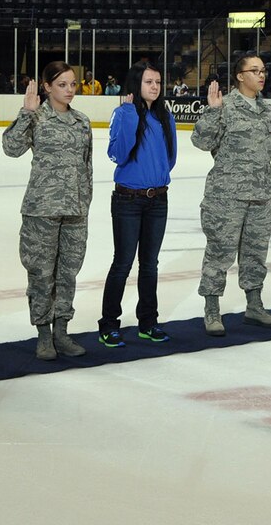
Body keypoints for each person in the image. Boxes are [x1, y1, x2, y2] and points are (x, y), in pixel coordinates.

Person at [192, 53, 271, 335]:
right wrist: (213, 111)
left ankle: (254, 306)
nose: (261, 75)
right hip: (226, 197)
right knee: (219, 254)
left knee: (256, 254)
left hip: (260, 195)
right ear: (240, 76)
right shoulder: (225, 106)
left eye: (263, 70)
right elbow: (201, 141)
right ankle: (212, 310)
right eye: (254, 70)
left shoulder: (264, 109)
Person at [2, 61, 93, 360]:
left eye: (72, 85)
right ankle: (43, 334)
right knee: (41, 274)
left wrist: (85, 202)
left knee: (68, 273)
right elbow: (11, 148)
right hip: (41, 209)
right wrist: (26, 113)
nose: (69, 90)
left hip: (75, 211)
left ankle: (62, 332)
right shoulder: (37, 118)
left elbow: (87, 166)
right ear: (47, 87)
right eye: (62, 85)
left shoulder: (82, 122)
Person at [98, 62, 177, 347]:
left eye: (157, 82)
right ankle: (109, 324)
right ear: (136, 84)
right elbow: (118, 154)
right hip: (128, 201)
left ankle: (148, 322)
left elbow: (170, 159)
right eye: (148, 82)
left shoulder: (165, 117)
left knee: (150, 265)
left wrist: (155, 180)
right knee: (123, 263)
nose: (154, 87)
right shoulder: (123, 114)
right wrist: (130, 115)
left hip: (157, 200)